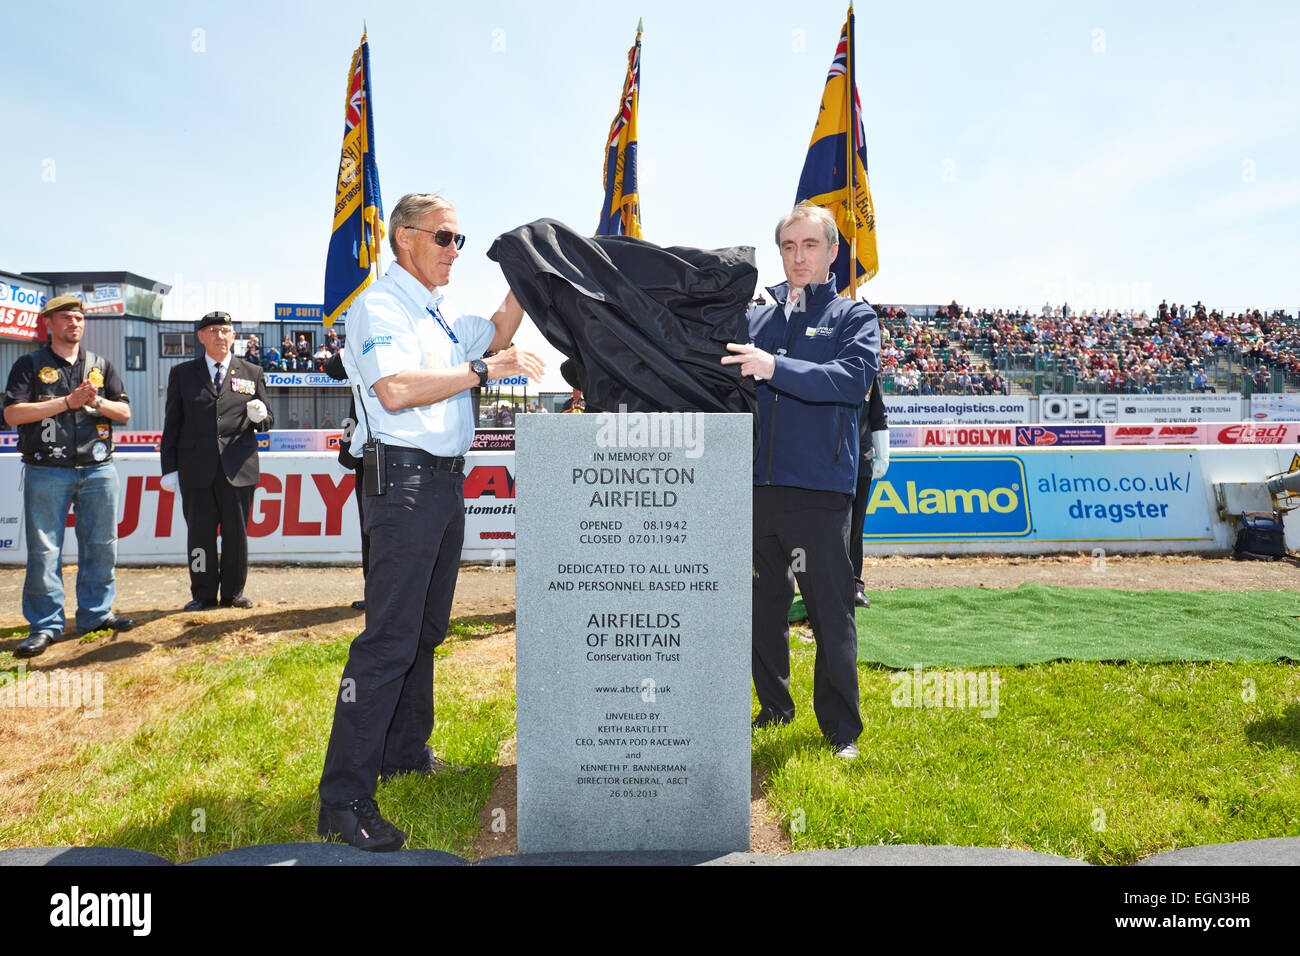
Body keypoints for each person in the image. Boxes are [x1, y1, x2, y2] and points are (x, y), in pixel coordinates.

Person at [317, 192, 545, 851]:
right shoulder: (381, 306)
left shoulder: (439, 316)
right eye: (445, 238)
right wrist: (480, 370)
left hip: (441, 484)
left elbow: (500, 329)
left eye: (459, 240)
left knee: (423, 630)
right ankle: (344, 798)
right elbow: (395, 390)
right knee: (387, 641)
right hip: (403, 481)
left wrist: (528, 271)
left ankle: (403, 753)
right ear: (405, 239)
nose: (454, 251)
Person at [722, 202, 879, 761]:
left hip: (818, 491)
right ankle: (774, 707)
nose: (798, 257)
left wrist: (774, 367)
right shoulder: (754, 319)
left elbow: (850, 379)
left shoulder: (853, 318)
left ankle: (841, 730)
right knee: (763, 604)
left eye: (810, 245)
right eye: (788, 247)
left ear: (832, 251)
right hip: (756, 488)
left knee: (828, 608)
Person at [3, 296, 135, 657]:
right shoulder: (29, 365)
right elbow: (13, 414)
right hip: (47, 469)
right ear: (49, 324)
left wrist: (95, 403)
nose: (74, 323)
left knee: (102, 544)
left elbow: (123, 412)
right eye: (66, 318)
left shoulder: (100, 365)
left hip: (99, 468)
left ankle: (96, 614)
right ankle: (45, 625)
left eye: (78, 318)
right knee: (45, 550)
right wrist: (66, 402)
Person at [160, 311, 273, 611]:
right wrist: (169, 468)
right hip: (196, 471)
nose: (219, 336)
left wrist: (260, 418)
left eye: (225, 330)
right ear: (201, 337)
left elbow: (267, 420)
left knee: (237, 536)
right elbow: (172, 424)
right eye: (212, 331)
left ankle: (233, 593)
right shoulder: (182, 374)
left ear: (233, 336)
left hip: (238, 468)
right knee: (200, 536)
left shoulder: (252, 372)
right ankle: (203, 594)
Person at [849, 379, 889, 608]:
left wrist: (883, 455)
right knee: (826, 529)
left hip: (860, 462)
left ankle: (854, 586)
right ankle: (822, 584)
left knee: (855, 529)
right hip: (825, 463)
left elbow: (877, 412)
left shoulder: (868, 367)